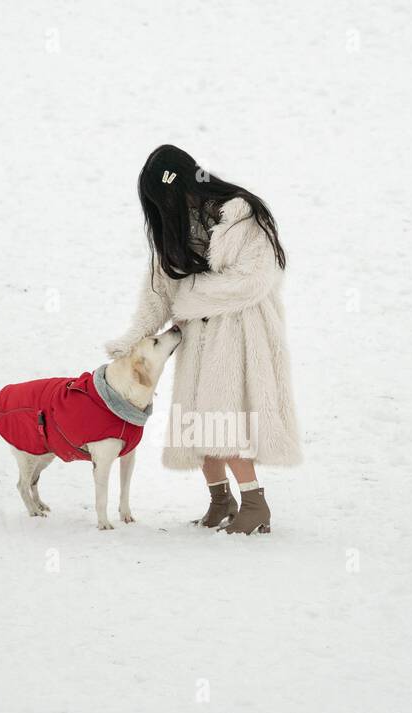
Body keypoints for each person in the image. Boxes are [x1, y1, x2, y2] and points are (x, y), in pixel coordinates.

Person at [106, 144, 301, 534]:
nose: (164, 207)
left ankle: (255, 505)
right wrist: (134, 337)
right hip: (199, 336)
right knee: (197, 423)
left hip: (240, 332)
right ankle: (220, 500)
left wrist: (190, 300)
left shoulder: (243, 214)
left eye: (165, 196)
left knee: (221, 420)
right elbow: (159, 294)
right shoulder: (174, 230)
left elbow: (254, 279)